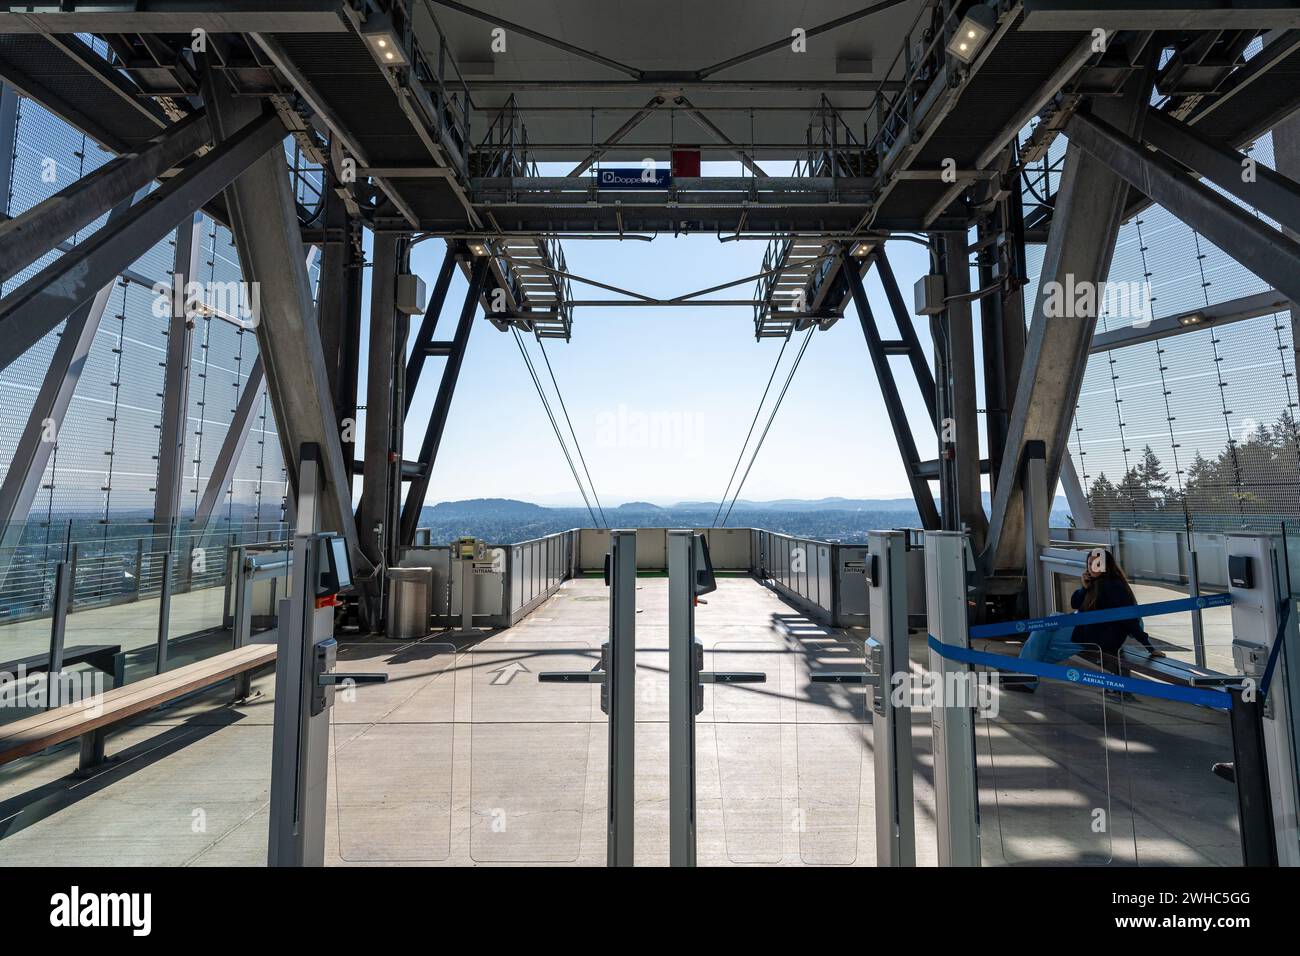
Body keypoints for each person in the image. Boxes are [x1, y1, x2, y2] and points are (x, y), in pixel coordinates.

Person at [1004, 548, 1163, 693]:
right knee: (1046, 628)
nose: (1092, 567)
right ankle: (1024, 675)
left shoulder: (1113, 586)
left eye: (1097, 563)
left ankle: (1025, 677)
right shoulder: (1096, 582)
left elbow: (1129, 619)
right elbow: (1075, 603)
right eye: (1089, 563)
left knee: (1043, 636)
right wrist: (1084, 588)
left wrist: (1149, 647)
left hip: (1097, 635)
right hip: (1086, 628)